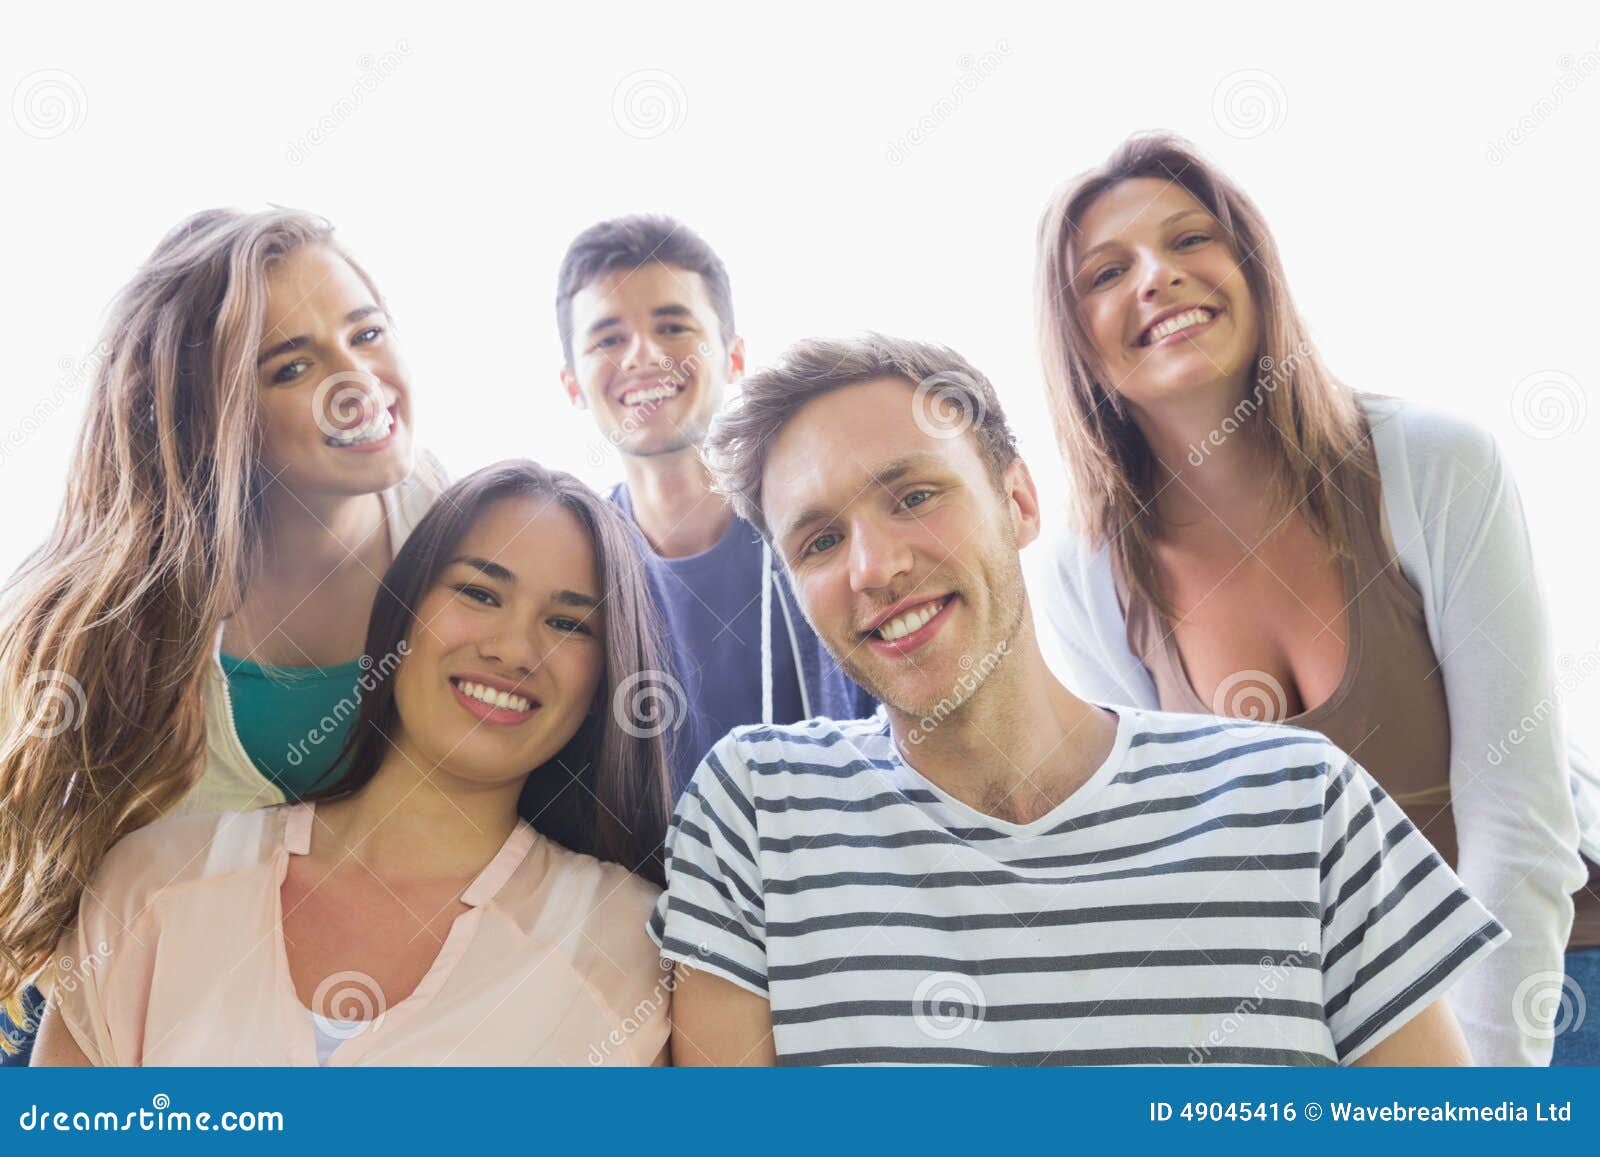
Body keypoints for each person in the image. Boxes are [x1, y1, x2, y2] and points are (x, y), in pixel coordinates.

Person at [652, 333, 1506, 1066]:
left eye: (914, 496)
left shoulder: (1301, 799)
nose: (873, 567)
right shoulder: (759, 810)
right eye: (820, 540)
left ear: (1018, 502)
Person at [1026, 133, 1596, 1066]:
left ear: (1252, 270)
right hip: (1336, 1026)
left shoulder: (1433, 463)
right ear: (1076, 343)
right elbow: (1187, 885)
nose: (1158, 276)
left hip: (1550, 973)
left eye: (1190, 240)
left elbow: (1517, 822)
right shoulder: (1085, 578)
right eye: (1106, 272)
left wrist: (1478, 1113)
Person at [31, 462, 673, 1065]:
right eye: (479, 593)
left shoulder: (633, 952)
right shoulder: (152, 884)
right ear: (403, 612)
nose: (512, 649)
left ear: (605, 677)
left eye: (568, 624)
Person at [0, 208, 447, 1062]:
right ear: (214, 415)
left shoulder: (472, 542)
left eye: (367, 331)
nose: (357, 381)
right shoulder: (95, 614)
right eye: (293, 365)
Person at [556, 215, 874, 793]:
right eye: (607, 338)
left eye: (673, 326)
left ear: (733, 357)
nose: (642, 356)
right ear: (572, 384)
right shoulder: (569, 568)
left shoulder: (831, 533)